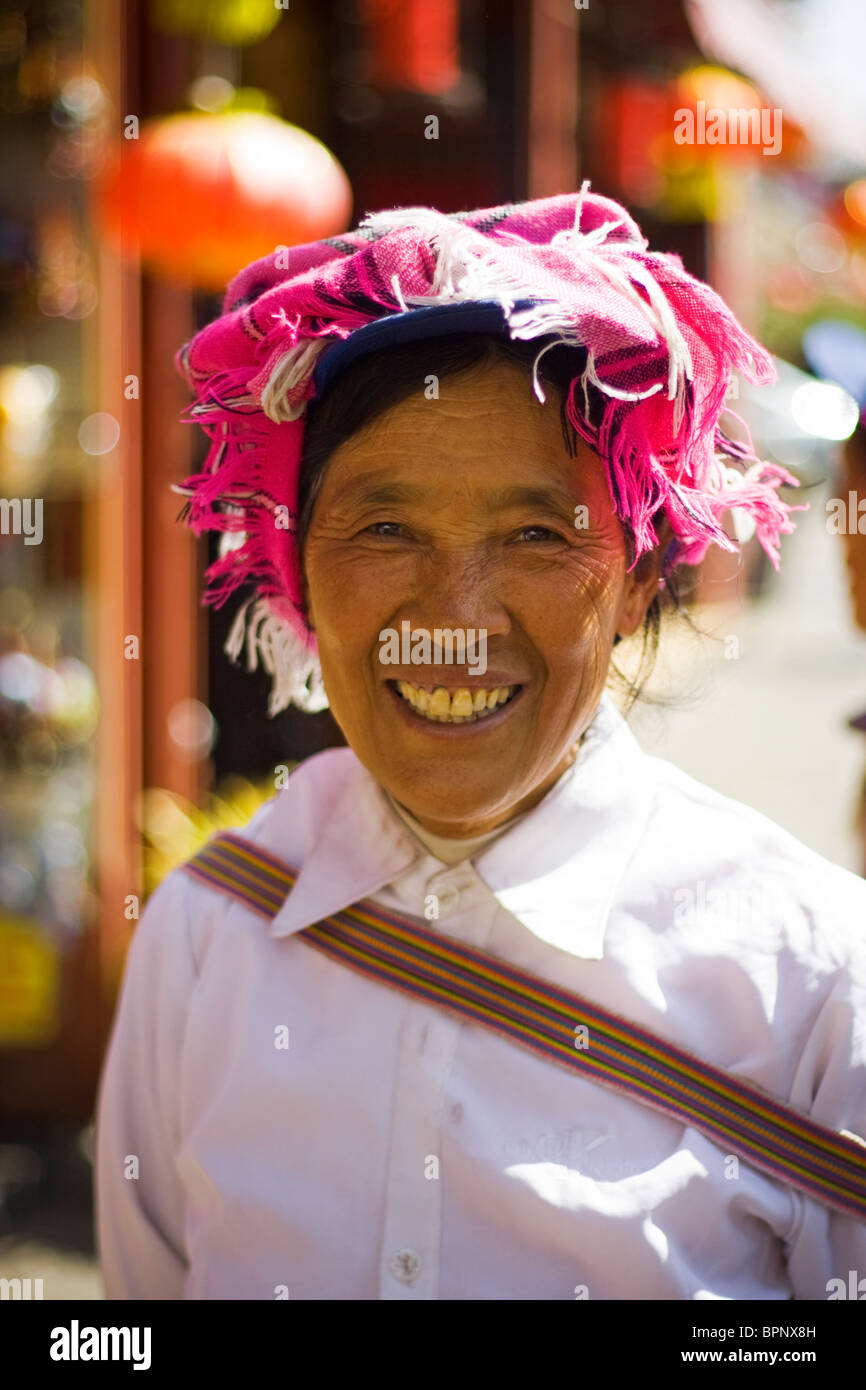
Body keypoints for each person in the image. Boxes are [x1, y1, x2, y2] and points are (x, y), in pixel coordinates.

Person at [94, 187, 866, 1300]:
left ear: (637, 584)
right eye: (386, 528)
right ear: (298, 565)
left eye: (533, 535)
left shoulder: (812, 982)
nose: (453, 617)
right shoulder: (210, 929)